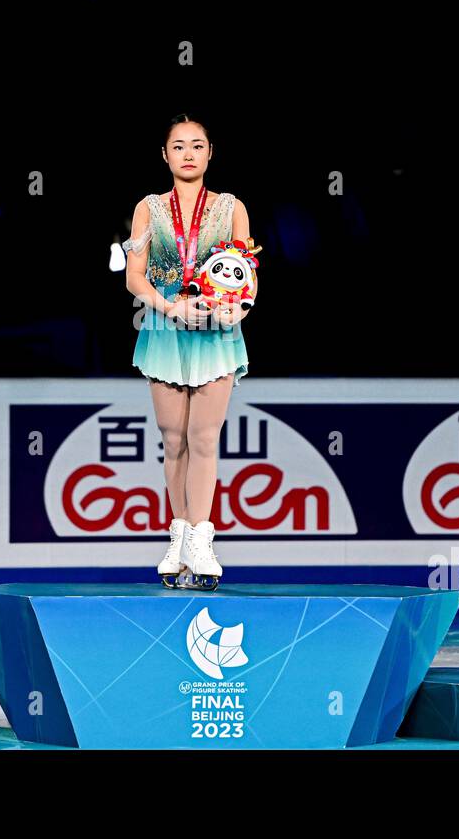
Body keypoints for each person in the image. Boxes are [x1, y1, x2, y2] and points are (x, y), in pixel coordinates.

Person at [122, 114, 254, 589]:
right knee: (173, 438)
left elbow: (244, 273)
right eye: (179, 146)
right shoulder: (148, 209)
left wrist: (234, 308)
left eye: (197, 145)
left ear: (210, 152)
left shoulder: (232, 208)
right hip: (164, 327)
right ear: (165, 154)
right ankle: (177, 533)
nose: (188, 153)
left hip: (216, 333)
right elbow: (135, 274)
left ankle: (201, 538)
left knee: (203, 437)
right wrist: (169, 307)